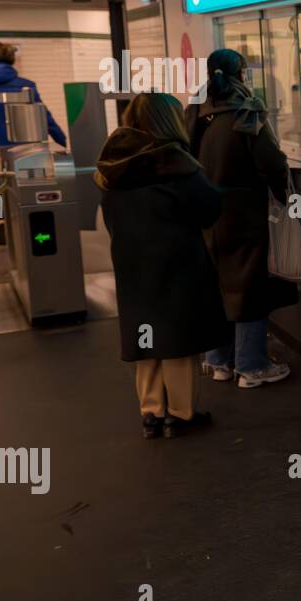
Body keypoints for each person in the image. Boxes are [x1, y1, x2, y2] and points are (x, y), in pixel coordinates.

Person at [96, 92, 229, 438]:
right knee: (179, 339)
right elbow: (208, 209)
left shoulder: (113, 165)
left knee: (145, 338)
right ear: (169, 121)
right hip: (176, 263)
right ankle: (181, 415)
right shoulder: (174, 162)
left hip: (132, 265)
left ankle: (152, 413)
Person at [187, 49, 296, 388]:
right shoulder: (246, 111)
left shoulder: (194, 110)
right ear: (242, 74)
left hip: (205, 210)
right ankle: (251, 366)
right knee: (248, 286)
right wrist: (287, 200)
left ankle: (219, 361)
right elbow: (272, 164)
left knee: (217, 283)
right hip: (243, 213)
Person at [0, 43, 68, 244]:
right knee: (24, 187)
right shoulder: (26, 85)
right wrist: (61, 138)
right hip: (23, 150)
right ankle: (24, 222)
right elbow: (44, 115)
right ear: (12, 59)